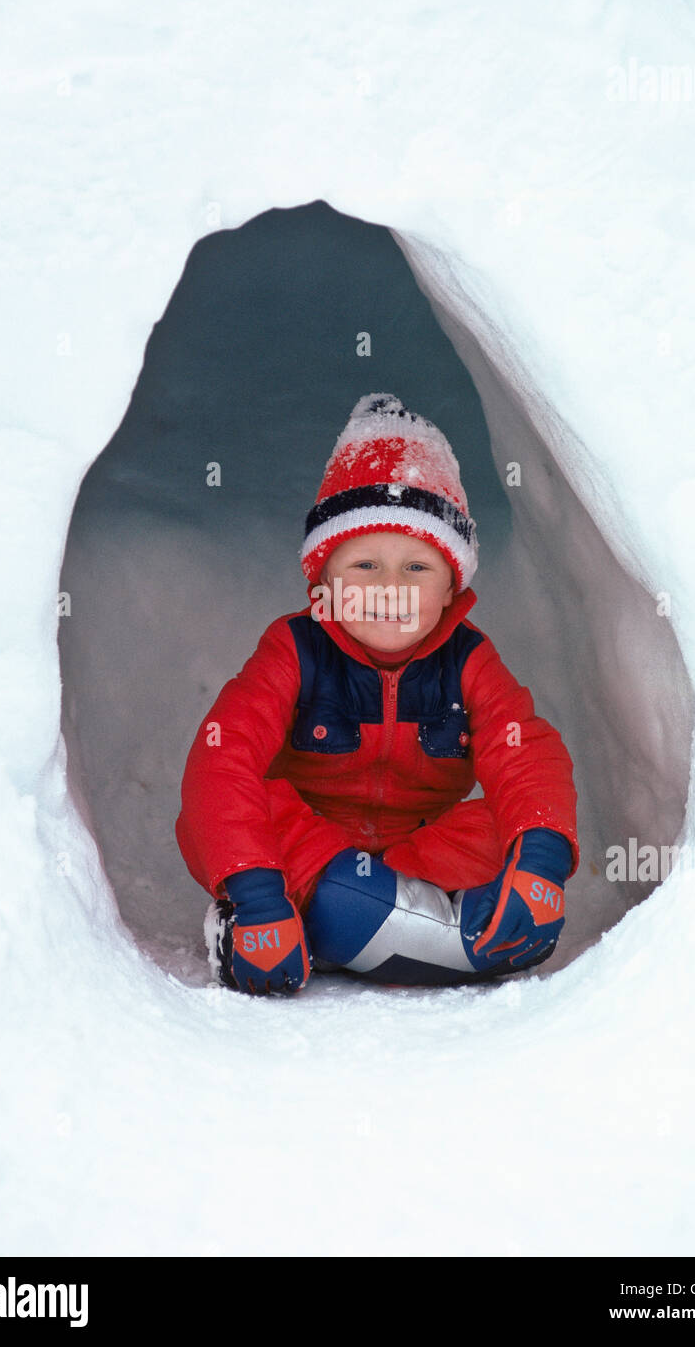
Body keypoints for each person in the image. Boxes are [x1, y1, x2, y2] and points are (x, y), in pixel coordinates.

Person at [175, 393, 579, 994]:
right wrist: (256, 889)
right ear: (324, 580)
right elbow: (223, 756)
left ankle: (367, 928)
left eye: (416, 568)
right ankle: (411, 934)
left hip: (420, 859)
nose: (390, 588)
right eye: (364, 566)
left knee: (507, 823)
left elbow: (523, 750)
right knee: (253, 802)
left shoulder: (468, 660)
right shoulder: (294, 649)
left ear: (450, 589)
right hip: (313, 859)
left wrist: (540, 857)